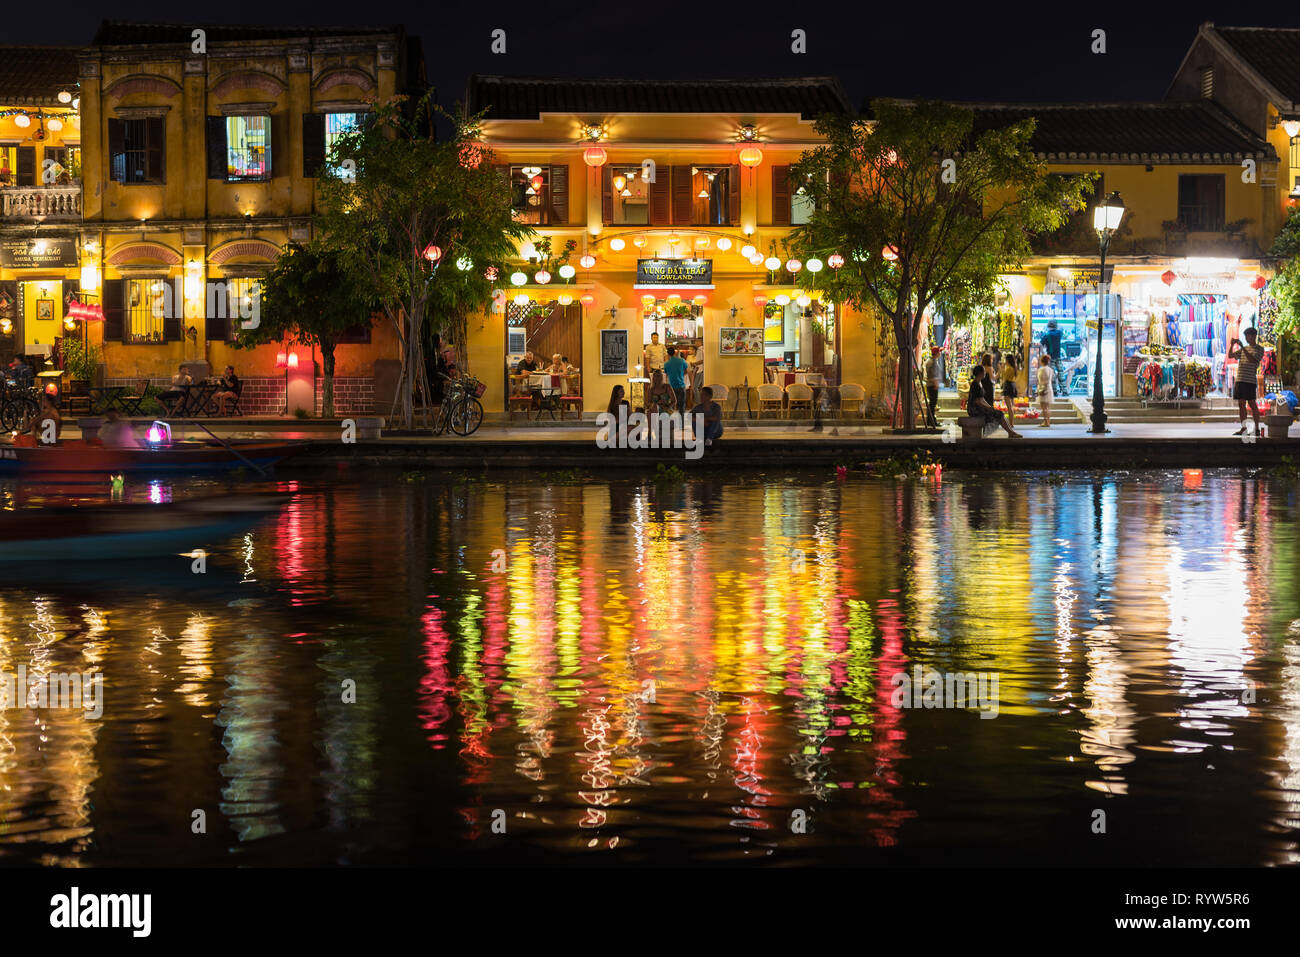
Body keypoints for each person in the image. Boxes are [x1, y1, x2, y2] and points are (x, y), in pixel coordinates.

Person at [1229, 326, 1266, 436]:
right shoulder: (1244, 348)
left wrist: (1242, 347)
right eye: (1245, 336)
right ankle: (1244, 428)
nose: (1246, 338)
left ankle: (1257, 428)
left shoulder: (1259, 349)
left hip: (1249, 380)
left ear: (1254, 336)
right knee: (1241, 404)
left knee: (1252, 403)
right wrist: (1232, 345)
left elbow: (1253, 360)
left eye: (1248, 336)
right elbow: (1231, 355)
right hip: (1240, 379)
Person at [967, 365, 1021, 438]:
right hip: (974, 409)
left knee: (999, 413)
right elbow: (977, 401)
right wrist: (988, 408)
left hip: (979, 407)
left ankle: (1011, 432)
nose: (985, 373)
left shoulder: (979, 383)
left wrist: (990, 407)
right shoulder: (975, 384)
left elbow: (982, 399)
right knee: (999, 414)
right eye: (984, 371)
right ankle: (1011, 432)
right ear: (980, 373)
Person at [664, 346, 689, 414]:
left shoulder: (666, 364)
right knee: (682, 405)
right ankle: (681, 421)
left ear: (668, 354)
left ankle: (672, 421)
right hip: (681, 386)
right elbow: (687, 371)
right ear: (675, 352)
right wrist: (680, 375)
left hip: (671, 387)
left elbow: (666, 374)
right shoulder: (682, 360)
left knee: (671, 405)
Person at [1041, 319, 1064, 393]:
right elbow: (1060, 328)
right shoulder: (1059, 333)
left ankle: (1054, 391)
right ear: (1056, 326)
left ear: (1048, 325)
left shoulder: (1047, 335)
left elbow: (1041, 344)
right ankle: (1064, 391)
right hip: (1058, 356)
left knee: (1052, 374)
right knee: (1061, 373)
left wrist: (1043, 353)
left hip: (1050, 357)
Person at [924, 345, 942, 425]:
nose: (940, 353)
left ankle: (930, 420)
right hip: (932, 385)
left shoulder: (930, 361)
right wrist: (936, 384)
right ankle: (932, 421)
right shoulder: (933, 362)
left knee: (932, 403)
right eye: (939, 352)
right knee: (932, 403)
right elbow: (933, 374)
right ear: (937, 353)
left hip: (930, 384)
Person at [1035, 353, 1054, 428]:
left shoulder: (1041, 369)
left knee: (1043, 407)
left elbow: (1040, 380)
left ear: (1042, 361)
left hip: (1043, 389)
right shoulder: (1050, 369)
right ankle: (1048, 421)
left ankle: (1045, 422)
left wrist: (1038, 389)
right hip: (1049, 388)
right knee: (1048, 407)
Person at [1000, 353, 1019, 425]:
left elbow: (1005, 377)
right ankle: (1012, 422)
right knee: (1011, 406)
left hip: (1008, 385)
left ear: (1007, 360)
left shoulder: (1009, 368)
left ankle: (1011, 423)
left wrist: (1002, 369)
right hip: (1012, 385)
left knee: (1009, 406)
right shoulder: (1014, 367)